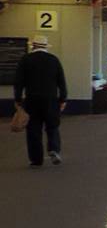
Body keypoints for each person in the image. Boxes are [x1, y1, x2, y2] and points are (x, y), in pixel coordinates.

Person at [13, 37, 68, 168]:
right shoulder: (54, 60)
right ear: (46, 47)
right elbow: (61, 81)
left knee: (33, 129)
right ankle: (53, 149)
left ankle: (36, 160)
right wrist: (63, 99)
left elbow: (18, 82)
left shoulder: (25, 60)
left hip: (32, 100)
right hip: (51, 99)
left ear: (33, 46)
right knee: (52, 126)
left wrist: (18, 99)